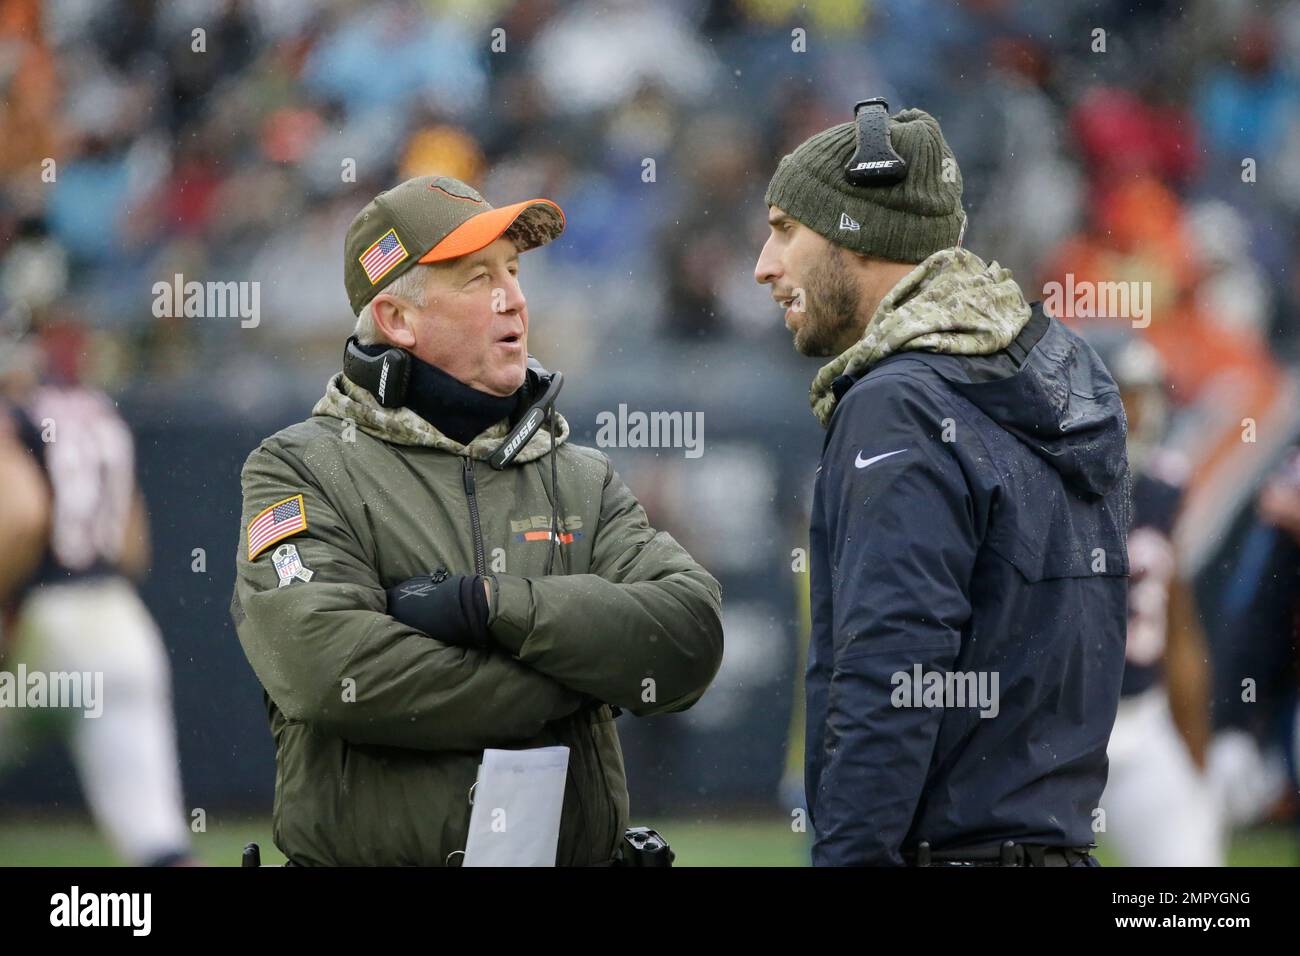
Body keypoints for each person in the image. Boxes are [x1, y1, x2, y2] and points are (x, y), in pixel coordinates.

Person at [230, 175, 723, 867]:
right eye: (476, 278)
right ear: (398, 319)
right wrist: (578, 684)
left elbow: (687, 638)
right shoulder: (301, 469)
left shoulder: (579, 474)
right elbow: (330, 671)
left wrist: (486, 606)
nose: (515, 297)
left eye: (515, 271)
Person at [754, 100, 1131, 866]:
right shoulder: (1067, 382)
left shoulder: (900, 403)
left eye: (787, 228)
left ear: (860, 234)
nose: (764, 264)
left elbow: (892, 672)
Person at [0, 321, 196, 867]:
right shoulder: (99, 414)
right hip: (118, 621)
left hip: (44, 623)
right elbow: (134, 545)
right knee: (158, 845)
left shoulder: (14, 417)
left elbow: (19, 513)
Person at [1083, 326, 1223, 866]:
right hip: (1055, 733)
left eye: (1143, 395)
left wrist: (1199, 756)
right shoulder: (1038, 484)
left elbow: (1180, 629)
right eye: (1124, 394)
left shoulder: (1163, 487)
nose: (1138, 413)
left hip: (1141, 723)